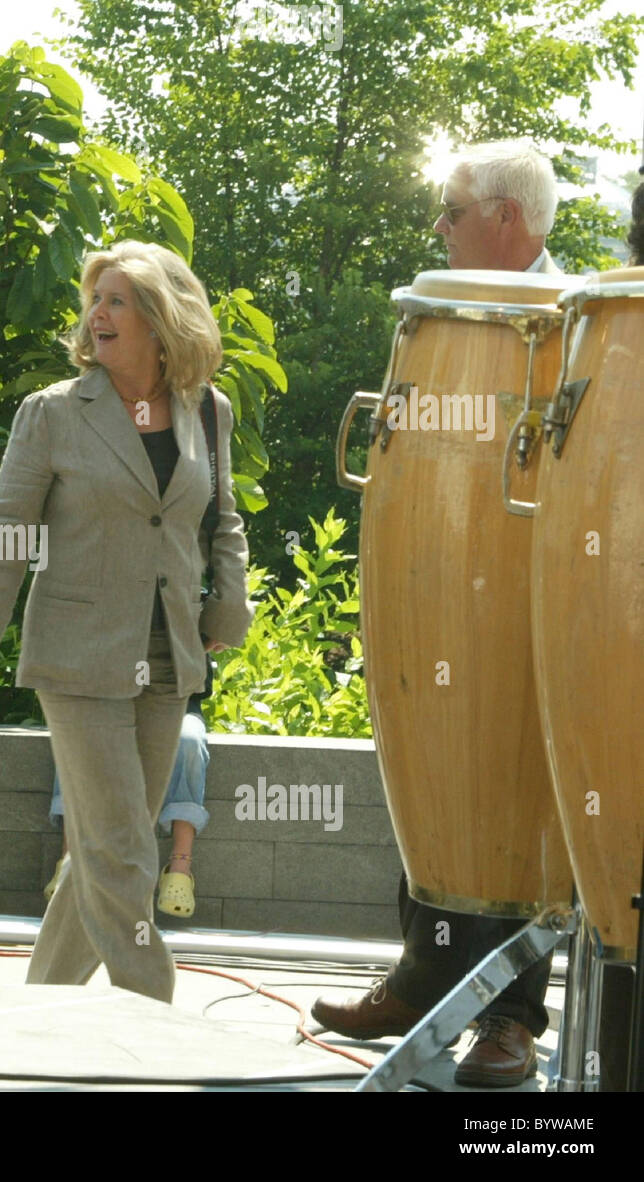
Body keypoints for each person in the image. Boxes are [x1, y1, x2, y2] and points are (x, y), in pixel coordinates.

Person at [312, 140, 560, 1086]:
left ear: (504, 218)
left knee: (519, 765)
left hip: (535, 569)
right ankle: (421, 979)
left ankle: (509, 1020)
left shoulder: (575, 321)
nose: (439, 228)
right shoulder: (441, 312)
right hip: (440, 560)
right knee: (433, 734)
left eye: (450, 212)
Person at [0, 240, 252, 1002]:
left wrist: (227, 607)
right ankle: (155, 1013)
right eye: (96, 300)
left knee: (104, 853)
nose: (98, 314)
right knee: (121, 851)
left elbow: (224, 521)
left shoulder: (206, 411)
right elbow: (7, 525)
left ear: (160, 318)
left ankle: (39, 1012)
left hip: (168, 652)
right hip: (78, 655)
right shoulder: (52, 412)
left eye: (117, 300)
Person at [45, 672, 214, 919]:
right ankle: (71, 861)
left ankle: (179, 869)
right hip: (108, 702)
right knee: (76, 735)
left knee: (189, 741)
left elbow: (202, 668)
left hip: (176, 705)